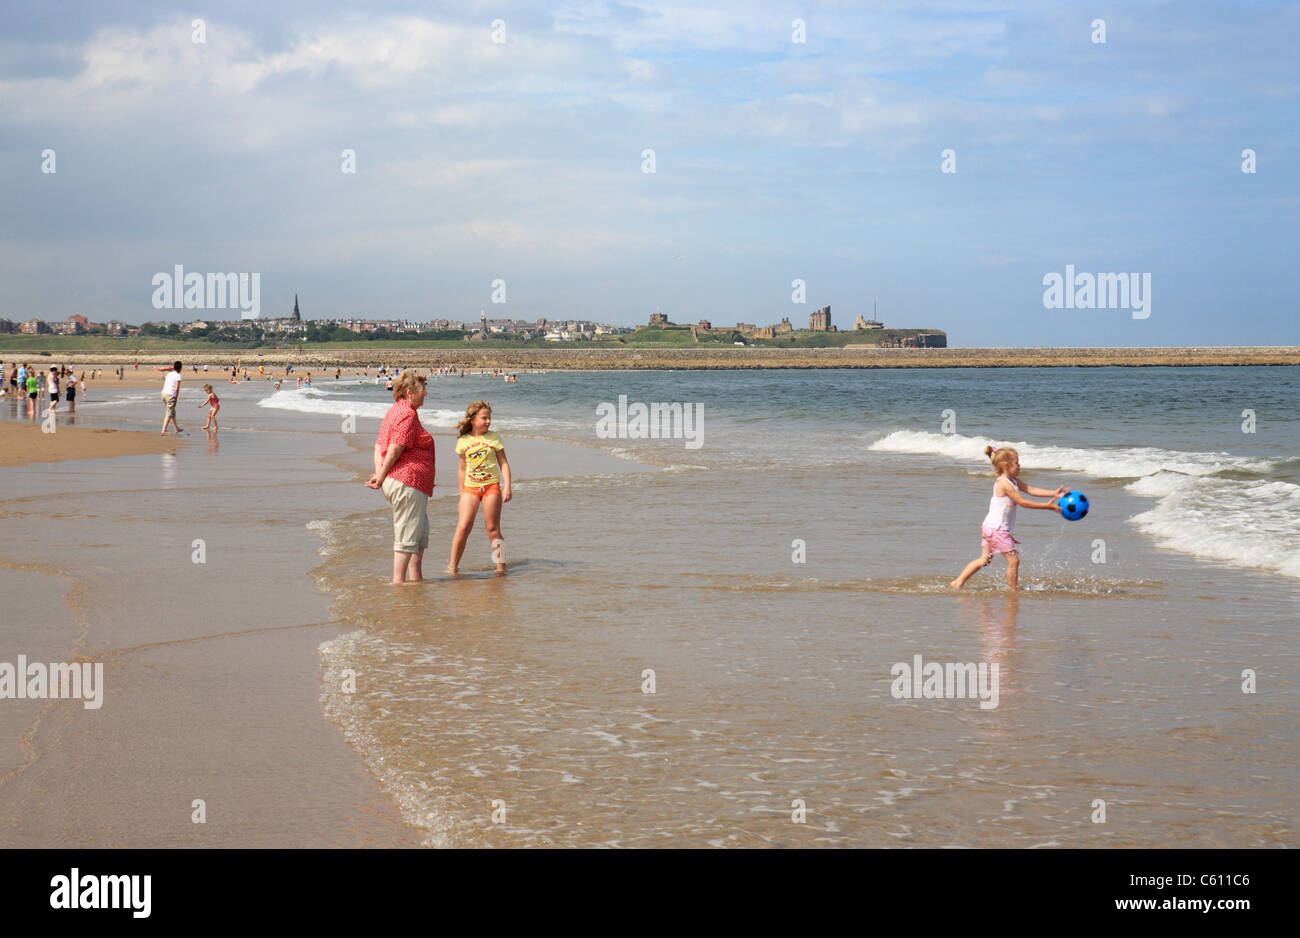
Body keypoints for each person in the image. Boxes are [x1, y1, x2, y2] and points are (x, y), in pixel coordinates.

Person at [950, 445, 1066, 592]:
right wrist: (1048, 507)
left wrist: (1053, 494)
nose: (1020, 466)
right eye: (1017, 462)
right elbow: (1022, 502)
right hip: (997, 529)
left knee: (984, 560)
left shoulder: (1013, 481)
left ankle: (958, 582)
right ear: (1006, 465)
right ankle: (1013, 592)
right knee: (1014, 560)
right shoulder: (1004, 484)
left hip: (990, 527)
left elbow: (1031, 489)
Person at [366, 372, 436, 584]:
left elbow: (379, 447)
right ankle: (398, 586)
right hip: (407, 482)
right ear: (409, 392)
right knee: (407, 537)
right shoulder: (407, 413)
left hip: (410, 483)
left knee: (418, 534)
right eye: (423, 389)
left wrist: (381, 474)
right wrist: (380, 475)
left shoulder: (394, 411)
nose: (426, 393)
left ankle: (416, 580)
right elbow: (395, 448)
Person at [449, 400, 511, 574]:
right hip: (470, 488)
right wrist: (462, 495)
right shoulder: (464, 440)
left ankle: (501, 568)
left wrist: (507, 486)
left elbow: (504, 464)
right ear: (473, 420)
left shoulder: (494, 437)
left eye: (489, 418)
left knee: (493, 529)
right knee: (463, 527)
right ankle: (453, 567)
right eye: (484, 418)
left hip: (491, 487)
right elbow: (461, 469)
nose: (488, 421)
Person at [160, 360, 184, 435]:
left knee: (172, 412)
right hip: (170, 395)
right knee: (169, 412)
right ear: (180, 369)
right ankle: (164, 430)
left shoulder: (169, 374)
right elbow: (176, 389)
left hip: (163, 393)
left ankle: (176, 428)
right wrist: (176, 399)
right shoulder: (178, 375)